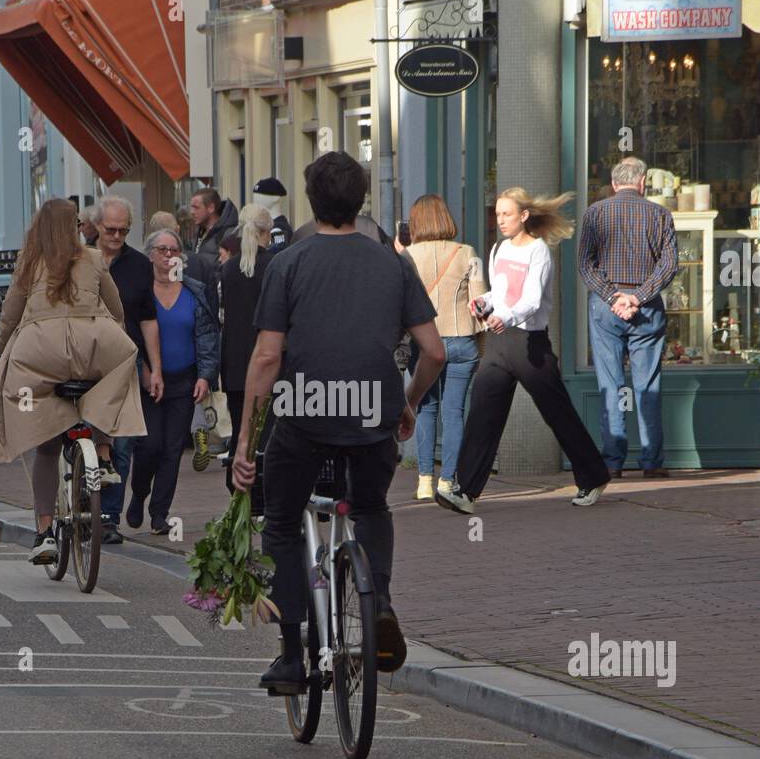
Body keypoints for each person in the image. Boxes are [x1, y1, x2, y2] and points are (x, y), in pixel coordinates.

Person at [233, 151, 446, 697]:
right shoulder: (394, 264)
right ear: (362, 201)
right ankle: (381, 604)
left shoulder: (288, 264)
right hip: (374, 412)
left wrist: (245, 443)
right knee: (372, 505)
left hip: (303, 416)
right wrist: (409, 402)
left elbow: (265, 359)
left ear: (310, 201)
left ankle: (288, 656)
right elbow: (434, 352)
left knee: (279, 522)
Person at [0, 199, 146, 564]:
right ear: (73, 227)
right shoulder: (94, 258)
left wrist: (3, 349)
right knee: (123, 362)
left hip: (39, 355)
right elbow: (117, 309)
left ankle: (45, 532)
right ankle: (106, 453)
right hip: (92, 347)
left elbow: (9, 314)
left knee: (45, 447)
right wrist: (110, 331)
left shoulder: (29, 263)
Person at [440, 188, 611, 515]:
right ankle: (465, 491)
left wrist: (505, 316)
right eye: (498, 213)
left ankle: (594, 475)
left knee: (557, 412)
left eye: (507, 214)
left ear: (524, 215)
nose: (500, 219)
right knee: (482, 413)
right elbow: (499, 293)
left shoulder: (538, 252)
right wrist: (484, 303)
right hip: (499, 343)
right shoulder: (499, 249)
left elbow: (532, 300)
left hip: (530, 344)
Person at [578, 156, 677, 479]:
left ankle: (612, 461)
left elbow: (585, 266)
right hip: (645, 307)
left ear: (613, 182)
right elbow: (668, 265)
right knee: (647, 384)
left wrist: (612, 297)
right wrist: (638, 296)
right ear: (643, 182)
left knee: (612, 384)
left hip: (606, 308)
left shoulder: (595, 213)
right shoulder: (660, 214)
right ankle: (652, 462)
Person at [126, 230, 219, 534]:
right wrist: (144, 370)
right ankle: (139, 493)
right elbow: (132, 337)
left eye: (174, 250)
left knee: (173, 448)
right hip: (149, 380)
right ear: (150, 254)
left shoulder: (195, 291)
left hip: (184, 380)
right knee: (150, 445)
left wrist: (205, 376)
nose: (168, 255)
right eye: (162, 249)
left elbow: (206, 337)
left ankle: (159, 513)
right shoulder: (140, 292)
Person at [405, 194, 489, 505]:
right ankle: (447, 481)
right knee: (455, 413)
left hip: (423, 345)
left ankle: (424, 481)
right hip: (461, 341)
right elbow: (480, 305)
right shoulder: (468, 253)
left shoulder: (407, 257)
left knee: (425, 410)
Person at [91, 195, 164, 544]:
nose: (117, 236)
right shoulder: (79, 260)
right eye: (111, 230)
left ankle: (108, 517)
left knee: (121, 445)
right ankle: (78, 502)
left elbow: (148, 319)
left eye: (124, 230)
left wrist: (156, 367)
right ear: (96, 227)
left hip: (126, 362)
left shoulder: (138, 265)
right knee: (85, 435)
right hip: (84, 361)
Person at [219, 204, 274, 482]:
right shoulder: (275, 266)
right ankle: (263, 492)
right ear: (268, 231)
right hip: (267, 362)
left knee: (241, 431)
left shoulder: (229, 269)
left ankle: (239, 489)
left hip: (234, 364)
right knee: (266, 433)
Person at [190, 187, 240, 279]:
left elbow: (232, 270)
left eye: (196, 207)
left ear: (211, 208)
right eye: (191, 207)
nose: (192, 212)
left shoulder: (229, 234)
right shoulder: (199, 232)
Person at [252, 177, 293, 249]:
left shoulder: (278, 229)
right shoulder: (266, 225)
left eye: (261, 196)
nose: (256, 199)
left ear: (275, 198)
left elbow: (275, 256)